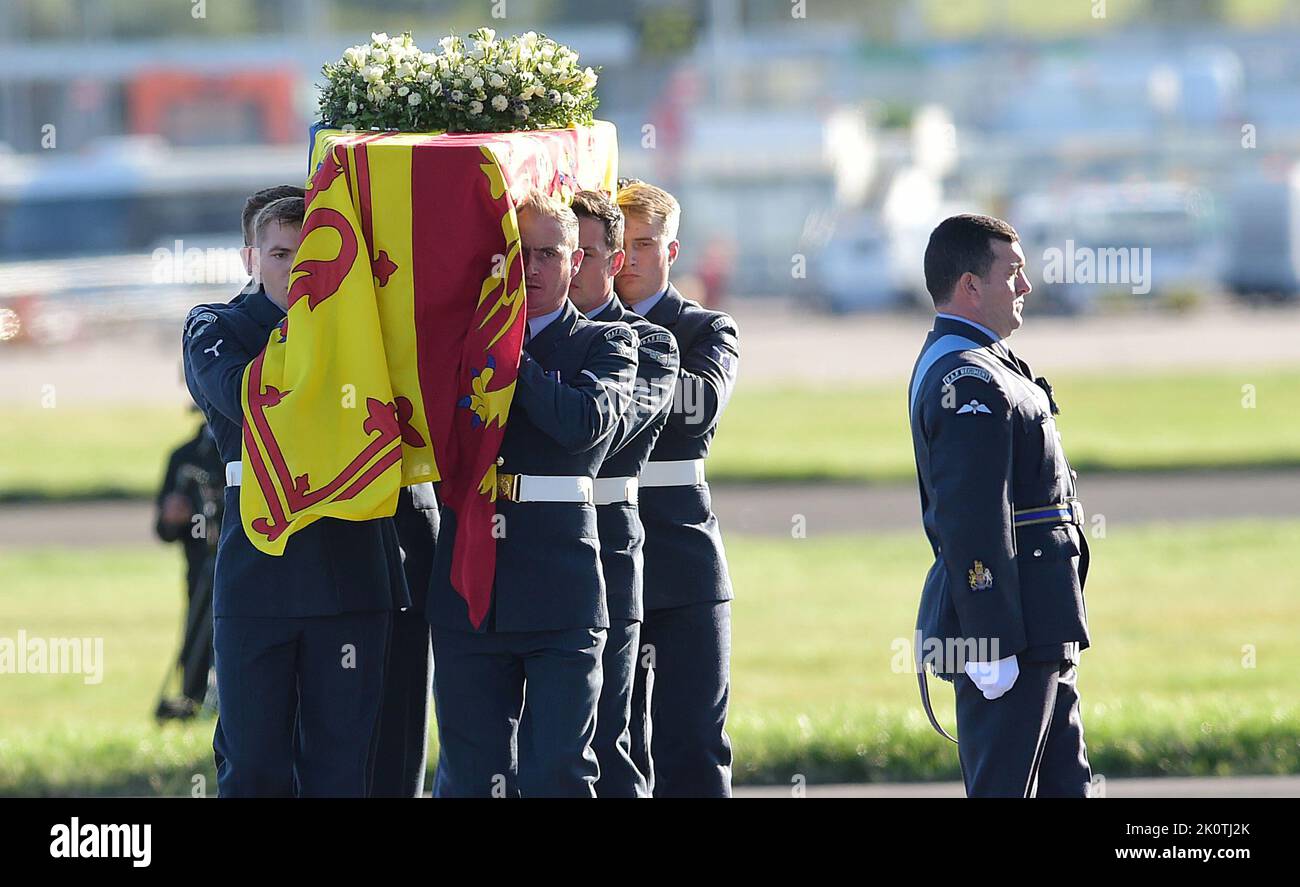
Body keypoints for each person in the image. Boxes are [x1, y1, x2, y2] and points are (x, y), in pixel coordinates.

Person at [183, 196, 409, 797]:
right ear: (250, 257)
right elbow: (247, 399)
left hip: (350, 570)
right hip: (260, 573)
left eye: (307, 255)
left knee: (342, 768)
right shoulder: (215, 326)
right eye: (280, 254)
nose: (294, 268)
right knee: (253, 764)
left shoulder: (367, 330)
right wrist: (322, 336)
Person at [425, 190, 639, 798]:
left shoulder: (609, 343)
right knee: (470, 777)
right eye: (518, 254)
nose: (532, 269)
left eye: (549, 254)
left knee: (558, 773)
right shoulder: (454, 344)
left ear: (577, 264)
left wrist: (504, 355)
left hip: (560, 587)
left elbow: (583, 425)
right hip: (471, 582)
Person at [908, 213, 1092, 798]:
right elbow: (971, 519)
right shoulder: (966, 378)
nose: (1025, 286)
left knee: (1068, 782)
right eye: (1012, 272)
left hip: (1041, 619)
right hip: (1009, 629)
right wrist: (989, 640)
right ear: (969, 285)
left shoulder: (988, 364)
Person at [523, 189, 679, 797]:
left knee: (604, 740)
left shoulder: (644, 342)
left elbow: (597, 440)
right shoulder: (529, 335)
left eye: (585, 254)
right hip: (524, 552)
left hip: (605, 550)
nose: (573, 268)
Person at [615, 182, 739, 797]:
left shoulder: (707, 327)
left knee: (693, 739)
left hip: (684, 558)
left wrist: (613, 369)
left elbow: (697, 406)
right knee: (614, 743)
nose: (630, 258)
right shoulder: (586, 326)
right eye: (621, 243)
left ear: (672, 249)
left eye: (645, 243)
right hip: (607, 553)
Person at [152, 413, 223, 720]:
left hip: (245, 566)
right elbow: (164, 531)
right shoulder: (184, 458)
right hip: (199, 567)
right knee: (197, 626)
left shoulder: (249, 447)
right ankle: (192, 695)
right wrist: (172, 518)